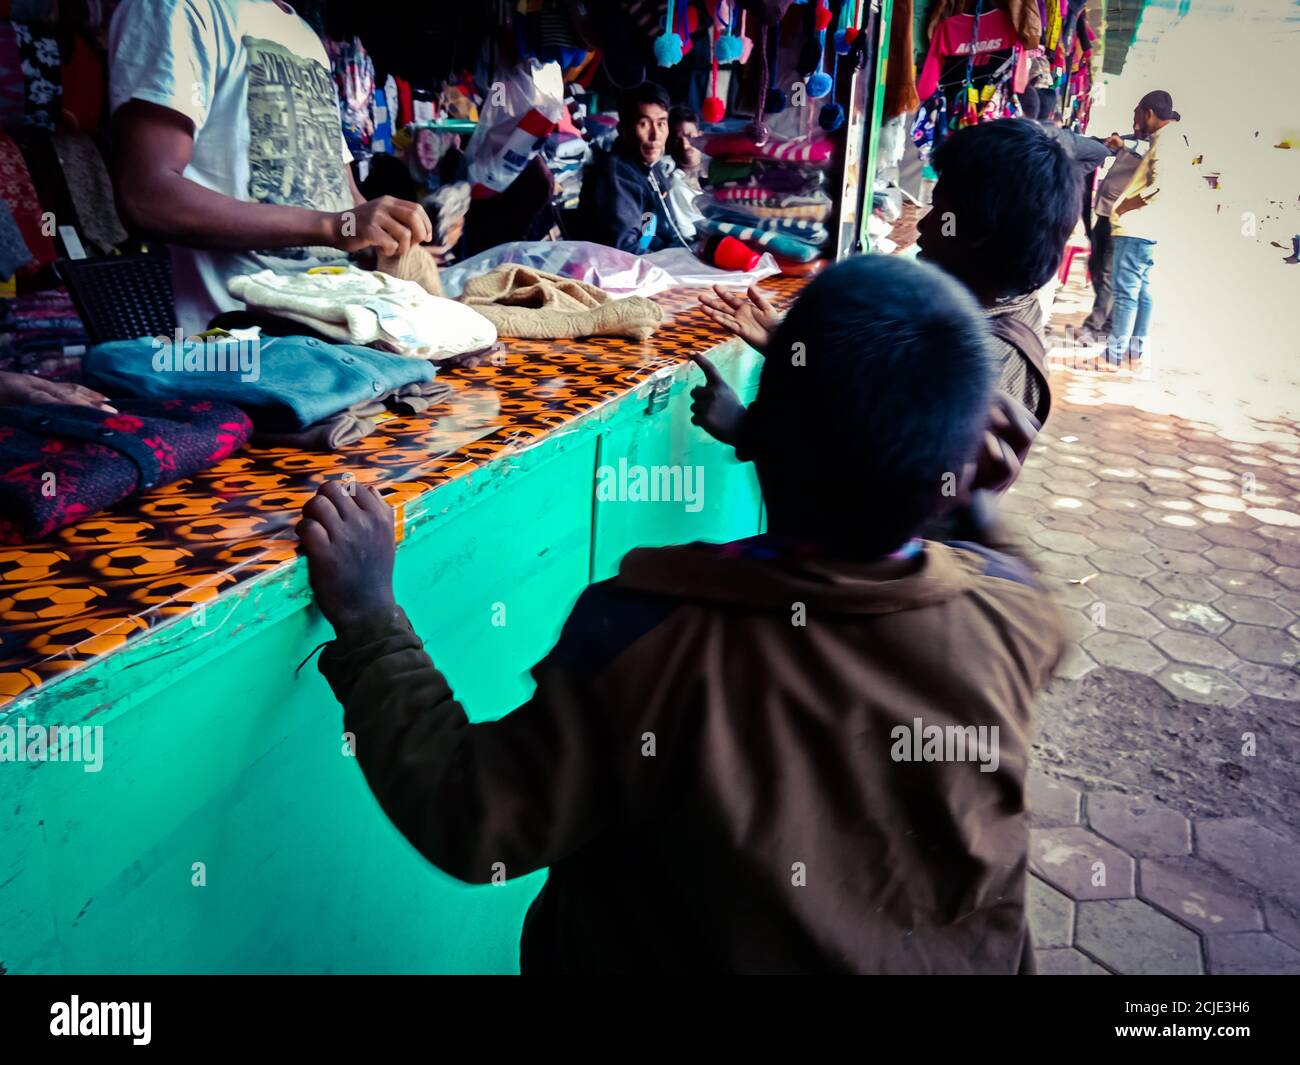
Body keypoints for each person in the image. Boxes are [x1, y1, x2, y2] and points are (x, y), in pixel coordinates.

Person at [297, 254, 1065, 973]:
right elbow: (977, 555)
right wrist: (972, 502)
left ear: (772, 432)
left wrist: (370, 620)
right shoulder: (1012, 606)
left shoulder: (652, 636)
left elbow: (471, 814)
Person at [700, 119, 1081, 420]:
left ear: (981, 233)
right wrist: (788, 350)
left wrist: (747, 430)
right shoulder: (999, 305)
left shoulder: (975, 364)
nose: (922, 226)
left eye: (940, 211)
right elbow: (870, 399)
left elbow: (872, 475)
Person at [108, 0, 442, 335]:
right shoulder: (179, 8)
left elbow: (342, 193)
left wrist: (387, 239)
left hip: (339, 328)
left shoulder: (304, 36)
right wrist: (332, 227)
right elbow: (147, 195)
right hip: (241, 342)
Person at [1104, 90, 1193, 367]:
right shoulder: (1168, 139)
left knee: (1124, 294)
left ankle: (1114, 353)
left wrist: (1124, 206)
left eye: (1137, 113)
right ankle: (1135, 348)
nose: (1135, 119)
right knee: (1141, 291)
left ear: (1148, 113)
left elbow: (1158, 186)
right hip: (1148, 228)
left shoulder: (1164, 142)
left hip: (1135, 228)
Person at [575, 82, 684, 253]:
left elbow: (655, 233)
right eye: (644, 124)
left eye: (661, 123)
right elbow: (625, 251)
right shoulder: (617, 175)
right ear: (623, 129)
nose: (655, 136)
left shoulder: (649, 168)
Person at [1078, 136, 1148, 343]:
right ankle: (1106, 323)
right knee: (1096, 267)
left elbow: (1143, 151)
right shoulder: (1134, 140)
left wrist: (1124, 145)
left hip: (1119, 218)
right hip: (1104, 213)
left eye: (1139, 113)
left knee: (1108, 273)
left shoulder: (1153, 146)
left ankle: (1095, 327)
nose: (1135, 120)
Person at [661, 105, 707, 242]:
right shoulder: (676, 187)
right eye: (677, 140)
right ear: (669, 144)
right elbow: (689, 237)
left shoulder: (715, 171)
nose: (685, 145)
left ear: (700, 136)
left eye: (689, 137)